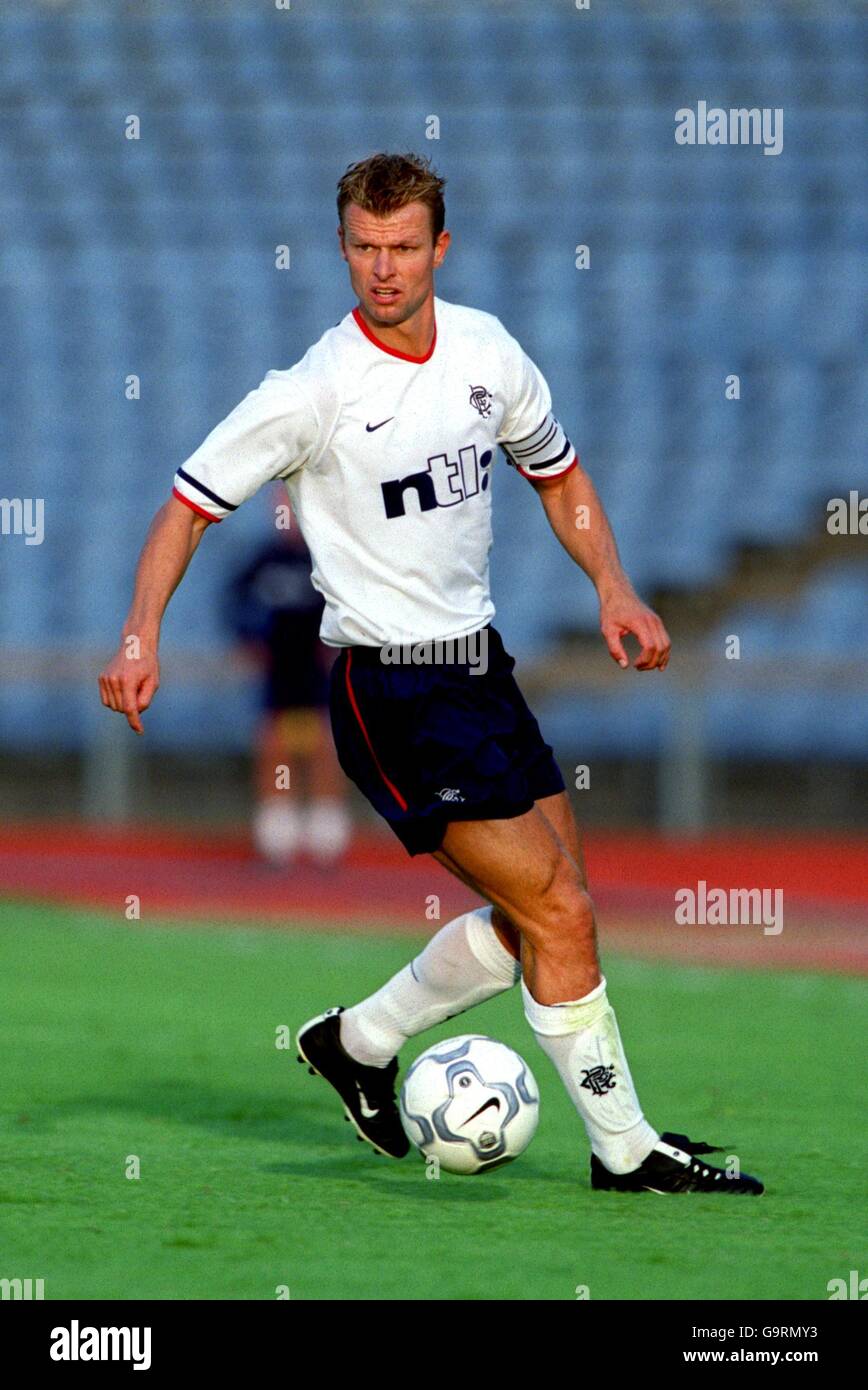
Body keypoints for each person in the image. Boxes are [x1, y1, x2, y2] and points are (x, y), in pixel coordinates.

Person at [99, 152, 763, 1195]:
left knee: (546, 906)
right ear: (342, 247)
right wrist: (141, 633)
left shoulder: (488, 351)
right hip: (390, 688)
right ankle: (626, 1153)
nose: (383, 267)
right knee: (561, 912)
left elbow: (560, 473)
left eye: (403, 246)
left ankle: (358, 1041)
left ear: (439, 247)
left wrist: (614, 587)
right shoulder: (311, 391)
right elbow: (185, 507)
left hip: (480, 670)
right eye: (364, 247)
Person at [226, 492, 351, 864]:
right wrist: (249, 642)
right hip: (278, 670)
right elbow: (234, 605)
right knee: (274, 743)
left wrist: (341, 646)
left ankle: (325, 831)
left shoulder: (328, 558)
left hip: (320, 670)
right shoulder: (262, 561)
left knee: (324, 745)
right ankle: (278, 831)